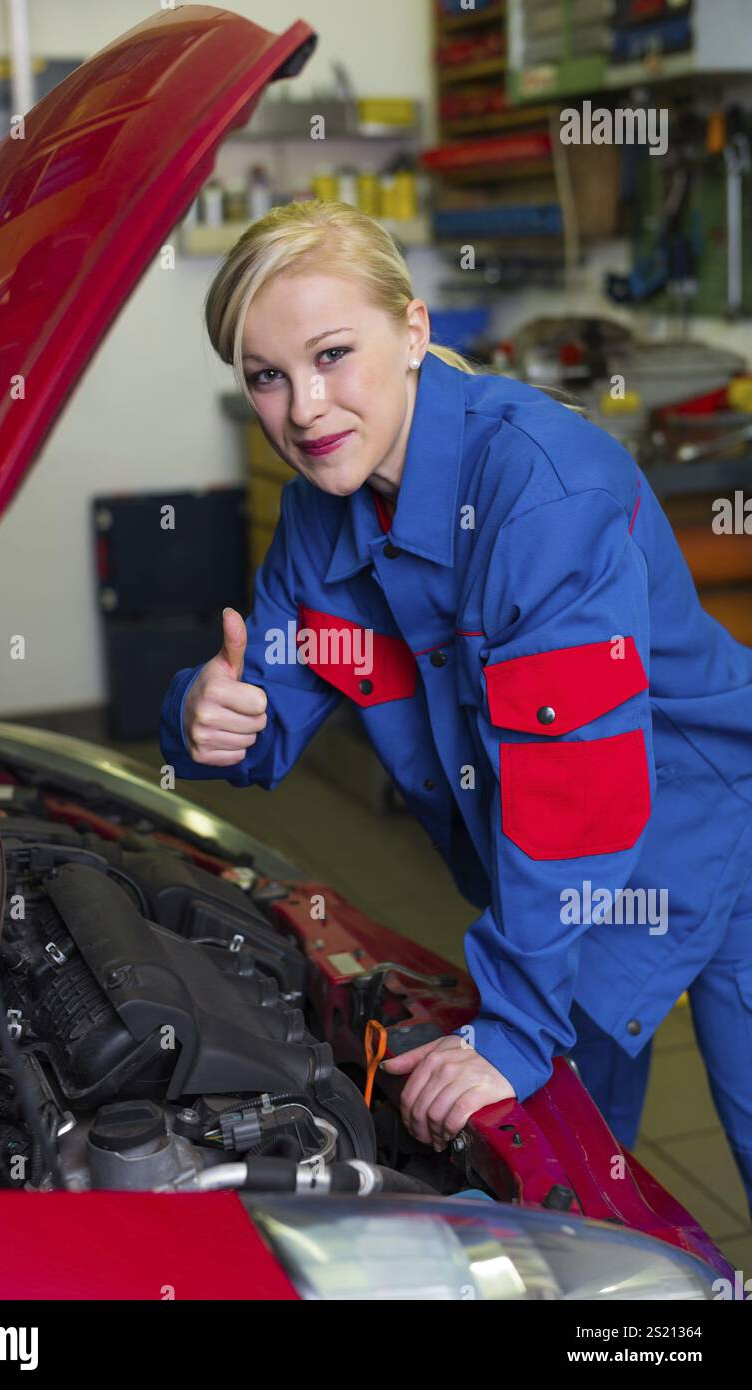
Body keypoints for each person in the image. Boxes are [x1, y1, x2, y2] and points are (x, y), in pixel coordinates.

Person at [159, 199, 752, 1218]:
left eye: (333, 353)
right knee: (560, 1164)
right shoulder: (319, 514)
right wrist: (205, 713)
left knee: (591, 1106)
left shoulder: (538, 492)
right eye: (267, 375)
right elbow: (267, 704)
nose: (304, 408)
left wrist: (513, 1026)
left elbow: (576, 794)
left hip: (702, 816)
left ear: (416, 330)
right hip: (563, 865)